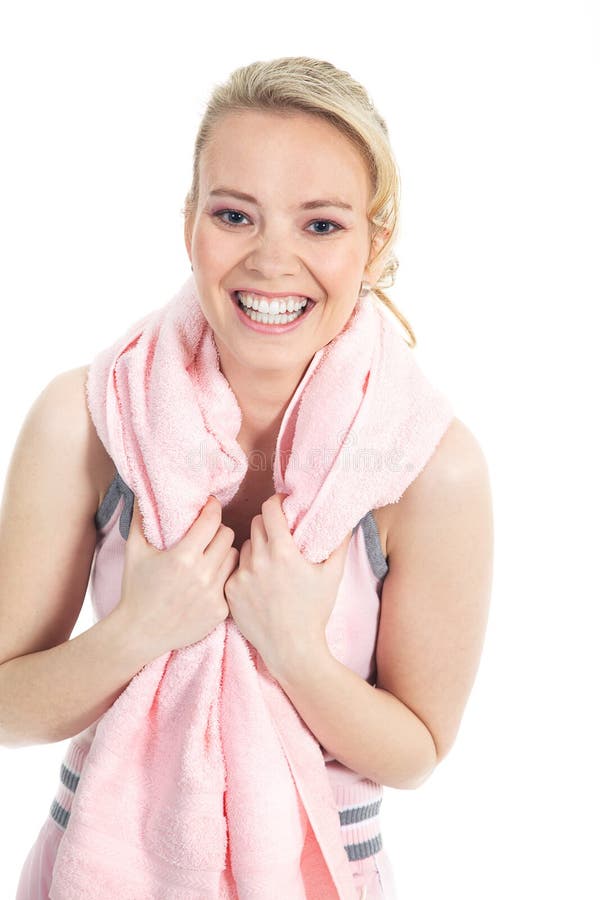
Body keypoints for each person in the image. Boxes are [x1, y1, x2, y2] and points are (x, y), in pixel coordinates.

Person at [1, 56, 493, 899]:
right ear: (189, 222)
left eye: (322, 225)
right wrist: (137, 630)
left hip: (318, 870)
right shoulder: (85, 418)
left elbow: (416, 752)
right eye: (235, 215)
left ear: (374, 244)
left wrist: (296, 648)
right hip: (102, 864)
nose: (272, 260)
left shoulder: (429, 467)